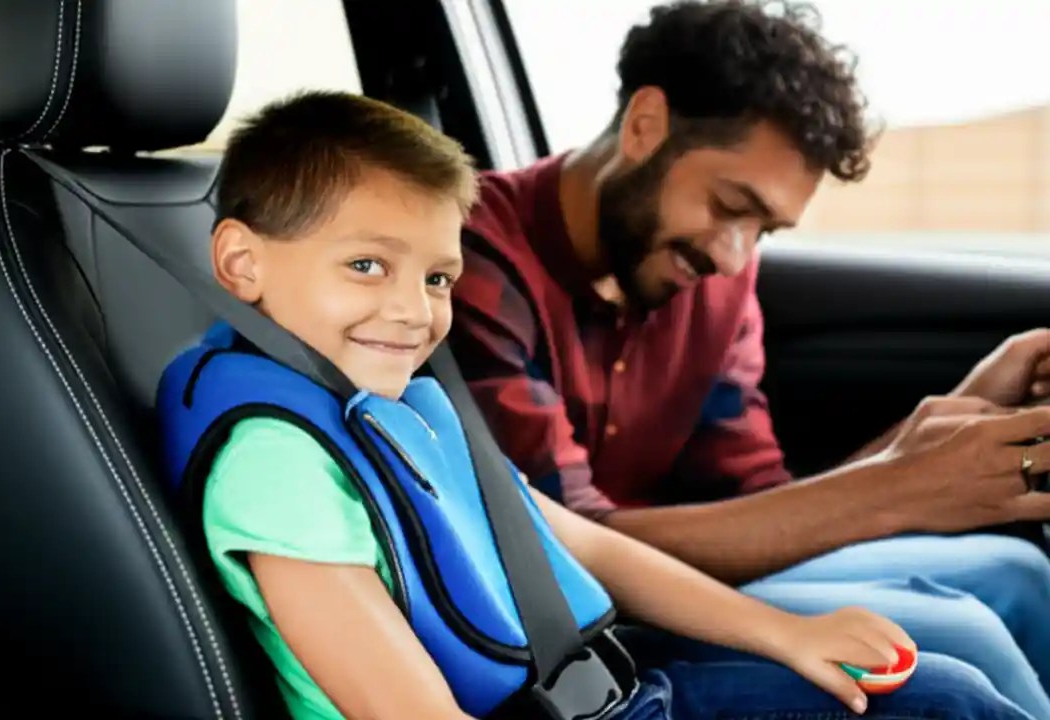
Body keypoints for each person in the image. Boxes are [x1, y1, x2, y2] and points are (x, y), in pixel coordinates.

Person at [161, 90, 1035, 720]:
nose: (412, 310)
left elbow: (573, 539)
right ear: (242, 265)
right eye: (367, 266)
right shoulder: (276, 465)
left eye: (436, 277)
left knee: (944, 692)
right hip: (558, 702)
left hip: (602, 687)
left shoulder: (400, 414)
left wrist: (783, 632)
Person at [446, 0, 1050, 715]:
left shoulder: (716, 285)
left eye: (763, 229)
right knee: (966, 639)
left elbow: (762, 507)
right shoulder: (470, 259)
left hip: (703, 574)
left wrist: (939, 435)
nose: (734, 253)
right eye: (731, 204)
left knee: (1019, 574)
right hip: (587, 616)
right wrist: (900, 485)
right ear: (645, 126)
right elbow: (569, 545)